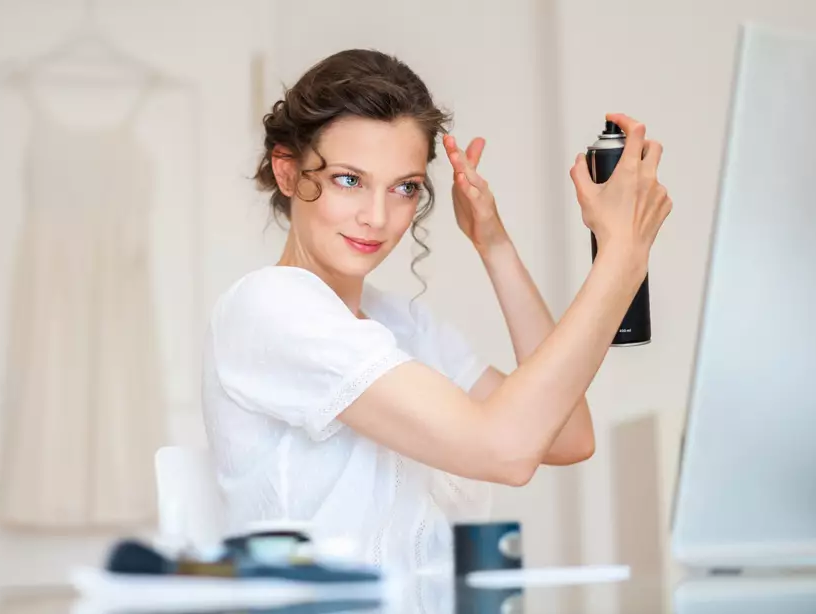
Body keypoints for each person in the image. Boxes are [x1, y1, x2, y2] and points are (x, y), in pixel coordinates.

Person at [200, 49, 672, 572]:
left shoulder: (403, 326)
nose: (376, 217)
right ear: (287, 172)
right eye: (349, 180)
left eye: (404, 188)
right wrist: (623, 256)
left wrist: (494, 244)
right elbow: (505, 452)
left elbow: (565, 435)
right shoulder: (271, 307)